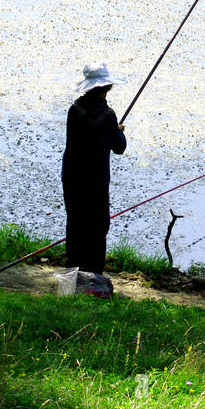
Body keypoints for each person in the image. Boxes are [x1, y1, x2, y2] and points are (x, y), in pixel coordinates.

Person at [62, 63, 127, 276]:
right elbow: (119, 147)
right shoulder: (108, 115)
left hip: (72, 176)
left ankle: (73, 269)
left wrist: (111, 131)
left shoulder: (75, 109)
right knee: (98, 227)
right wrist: (119, 132)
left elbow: (84, 136)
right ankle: (94, 274)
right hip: (95, 180)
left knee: (75, 222)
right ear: (107, 87)